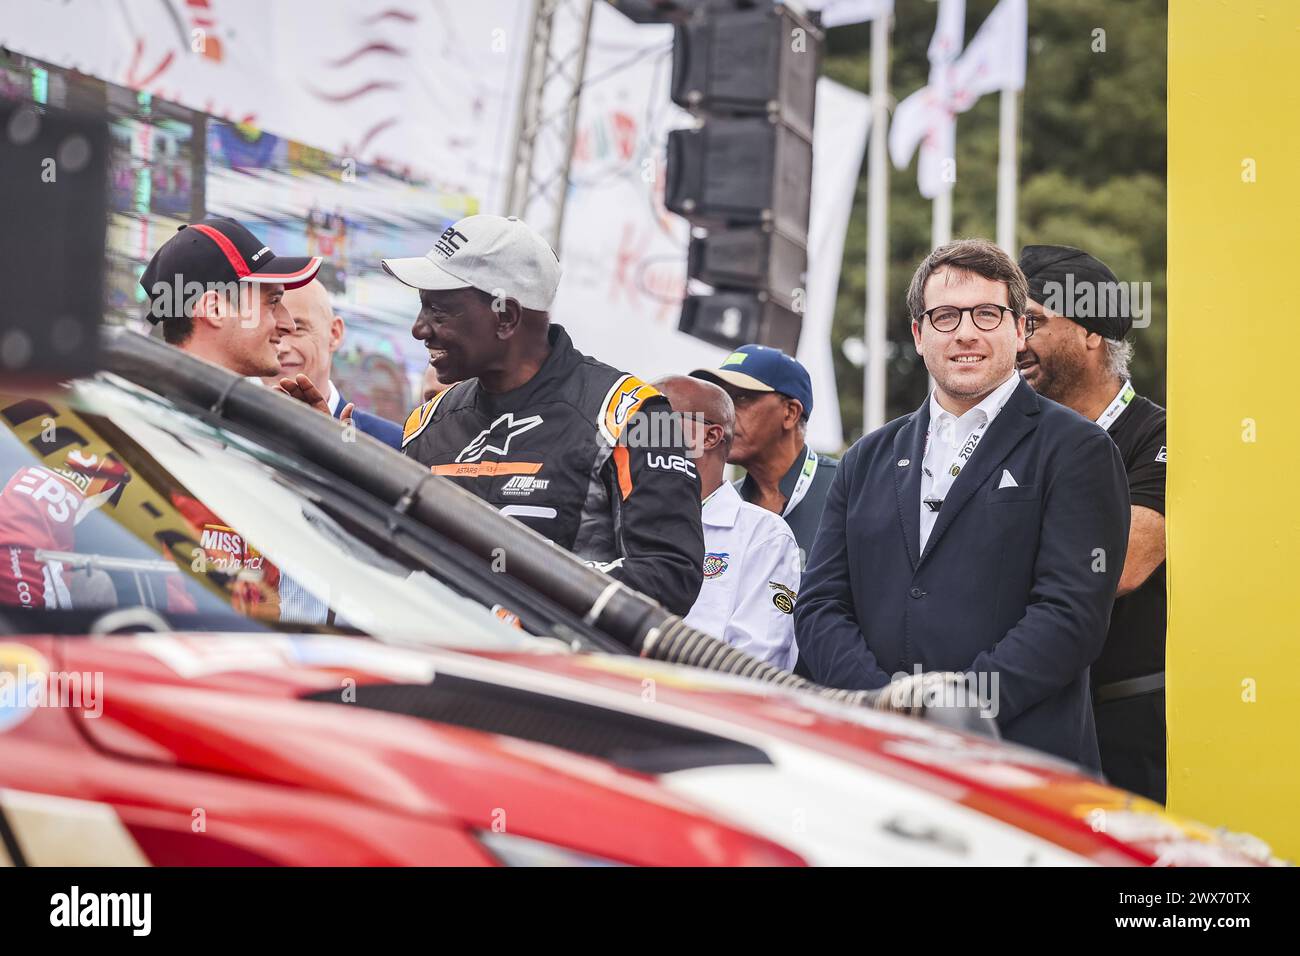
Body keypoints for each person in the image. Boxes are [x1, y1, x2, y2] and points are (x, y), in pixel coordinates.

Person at [795, 238, 1130, 769]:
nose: (966, 332)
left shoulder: (1078, 448)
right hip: (874, 757)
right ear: (919, 334)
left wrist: (959, 710)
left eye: (987, 314)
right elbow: (819, 606)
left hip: (1017, 761)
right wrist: (881, 705)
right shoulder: (866, 458)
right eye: (946, 316)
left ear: (1020, 330)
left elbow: (1071, 617)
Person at [384, 214, 704, 616]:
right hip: (437, 669)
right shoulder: (426, 424)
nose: (419, 329)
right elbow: (385, 555)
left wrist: (535, 613)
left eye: (439, 311)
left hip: (557, 675)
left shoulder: (638, 414)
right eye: (421, 307)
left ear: (506, 318)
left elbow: (671, 575)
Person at [1018, 244, 1168, 802]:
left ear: (1090, 332)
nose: (1015, 340)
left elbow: (1122, 565)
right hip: (1030, 713)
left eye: (1031, 321)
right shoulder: (1016, 440)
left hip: (1125, 719)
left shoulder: (1160, 435)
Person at [655, 375, 801, 670]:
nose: (639, 433)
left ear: (709, 437)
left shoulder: (764, 536)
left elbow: (758, 666)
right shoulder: (614, 517)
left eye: (658, 420)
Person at [691, 347, 837, 570]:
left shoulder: (848, 486)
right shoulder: (722, 505)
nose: (723, 414)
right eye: (721, 399)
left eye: (740, 398)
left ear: (790, 413)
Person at [140, 216, 321, 377]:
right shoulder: (162, 412)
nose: (289, 325)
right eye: (273, 302)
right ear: (215, 309)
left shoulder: (164, 407)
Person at [262, 279, 403, 449]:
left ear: (334, 334)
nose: (281, 347)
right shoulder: (227, 431)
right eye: (269, 329)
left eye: (297, 330)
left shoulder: (392, 446)